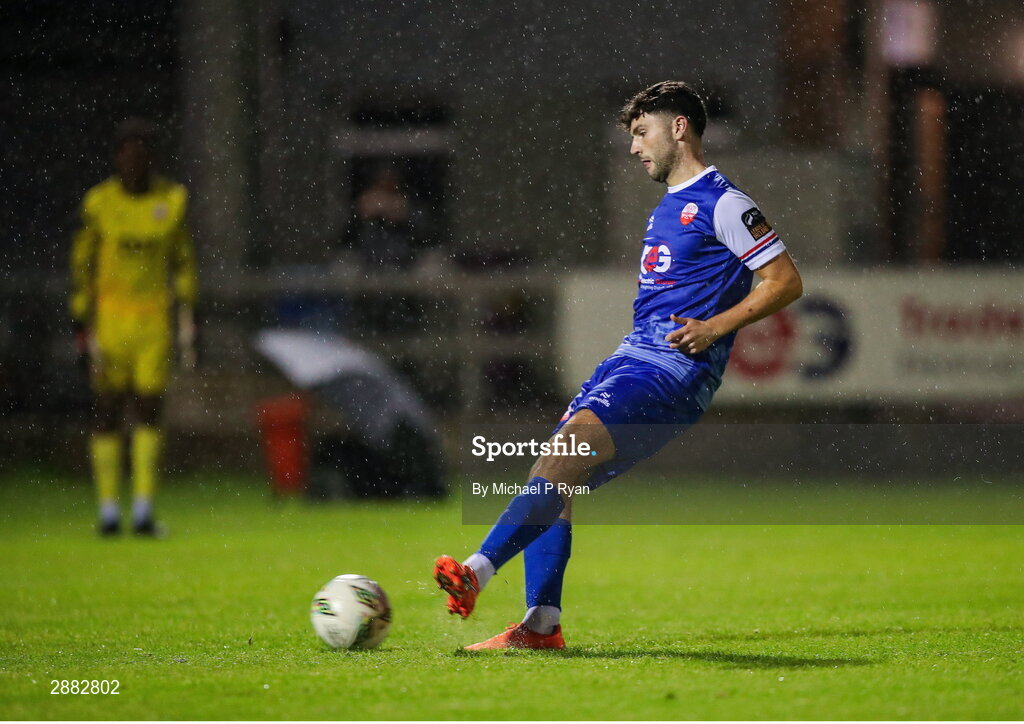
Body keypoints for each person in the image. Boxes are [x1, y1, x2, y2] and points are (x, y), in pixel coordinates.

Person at [433, 81, 803, 649]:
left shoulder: (725, 202)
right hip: (630, 360)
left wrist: (716, 326)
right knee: (555, 473)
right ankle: (540, 627)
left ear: (679, 127)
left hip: (672, 370)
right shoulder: (666, 207)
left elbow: (784, 281)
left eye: (640, 132)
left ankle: (476, 571)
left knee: (565, 455)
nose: (633, 147)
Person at [69, 117, 197, 536]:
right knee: (106, 409)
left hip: (153, 318)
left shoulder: (172, 200)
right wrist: (81, 318)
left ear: (151, 158)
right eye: (127, 153)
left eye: (142, 153)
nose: (134, 161)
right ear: (118, 157)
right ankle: (108, 509)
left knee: (148, 409)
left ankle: (143, 508)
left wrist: (189, 314)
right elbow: (83, 262)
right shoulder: (100, 203)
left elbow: (183, 261)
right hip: (110, 319)